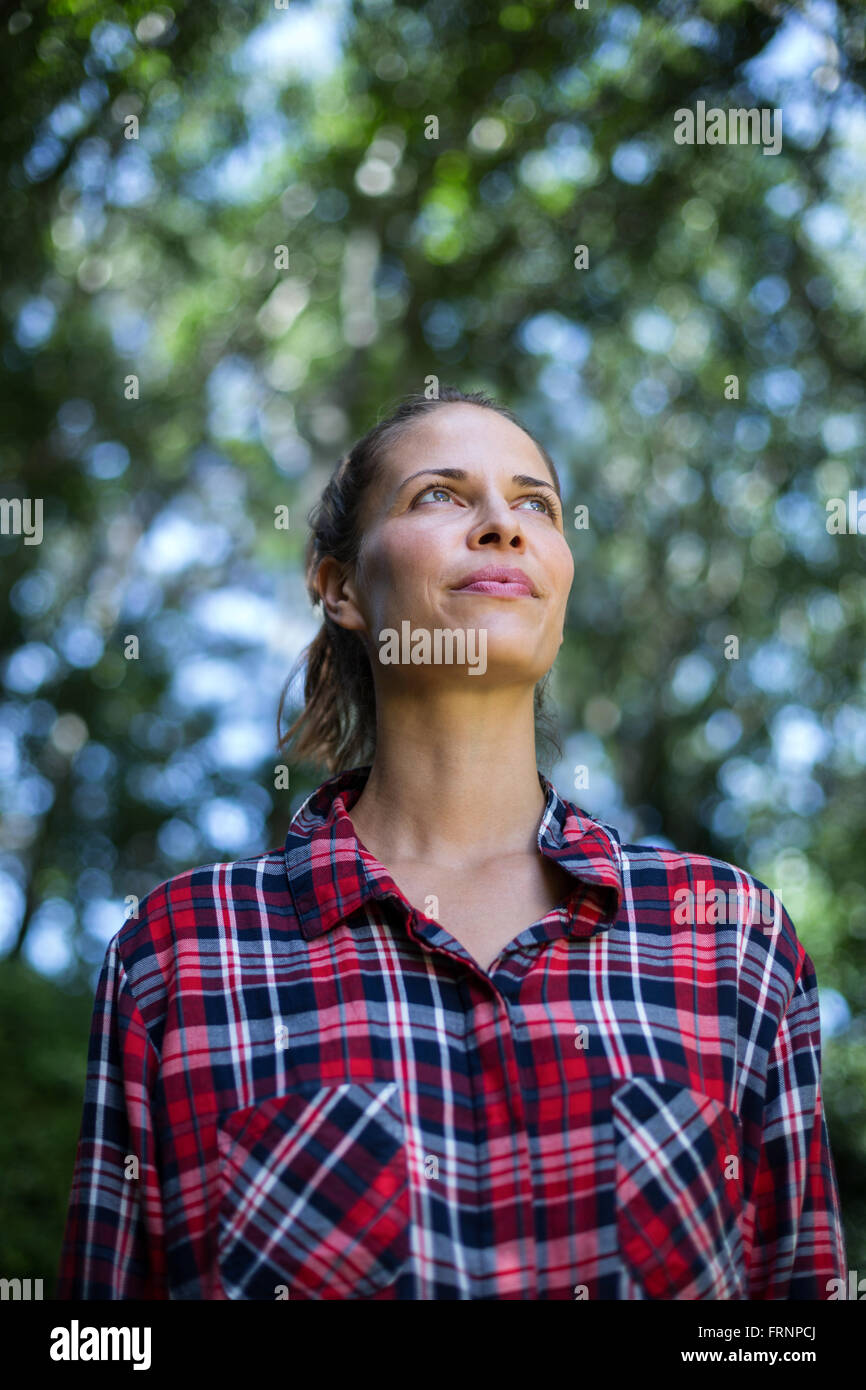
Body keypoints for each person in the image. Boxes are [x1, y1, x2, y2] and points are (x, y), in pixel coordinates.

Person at [57, 386, 847, 1299]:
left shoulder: (732, 939)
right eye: (440, 494)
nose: (502, 526)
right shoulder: (181, 955)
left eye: (536, 505)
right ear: (340, 586)